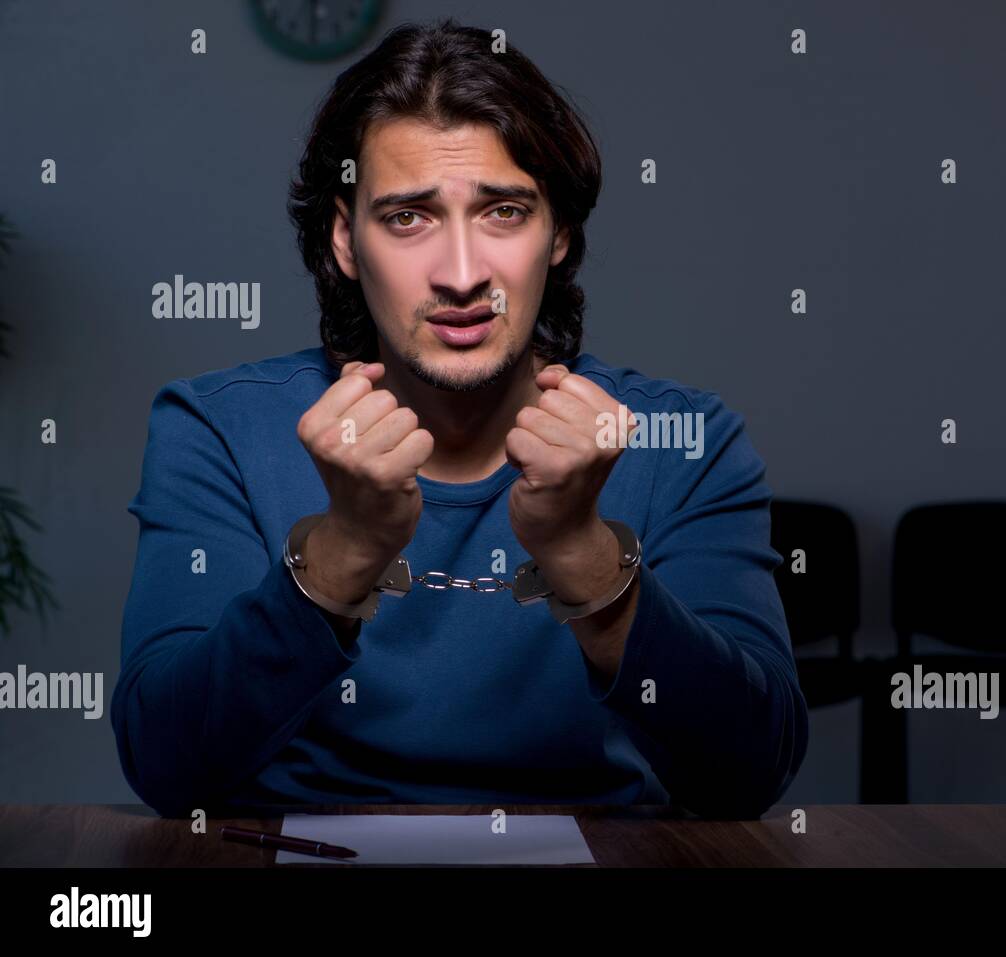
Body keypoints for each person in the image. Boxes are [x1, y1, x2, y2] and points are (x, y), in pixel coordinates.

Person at [111, 18, 807, 820]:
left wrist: (583, 553)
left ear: (560, 237)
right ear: (345, 239)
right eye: (409, 217)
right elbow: (164, 764)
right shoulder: (218, 429)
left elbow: (753, 772)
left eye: (504, 211)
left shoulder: (683, 441)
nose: (463, 274)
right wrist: (344, 551)